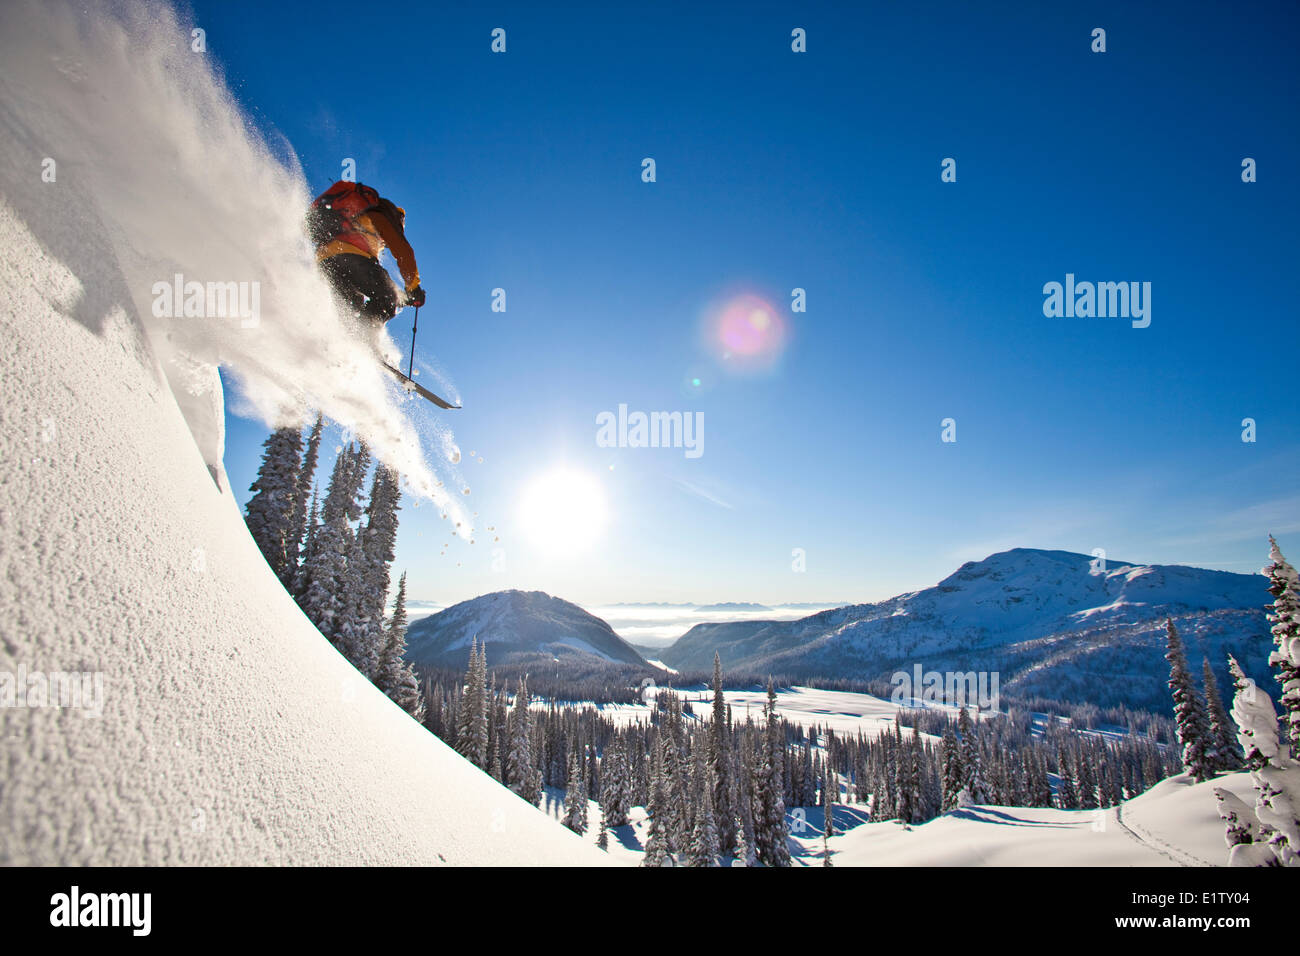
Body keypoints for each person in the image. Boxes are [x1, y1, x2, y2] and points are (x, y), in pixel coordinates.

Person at [308, 180, 426, 324]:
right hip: (350, 257)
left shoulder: (356, 215)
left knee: (350, 311)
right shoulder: (383, 211)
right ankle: (363, 338)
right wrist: (414, 289)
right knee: (387, 299)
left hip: (326, 263)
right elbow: (402, 251)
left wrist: (402, 297)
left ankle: (344, 340)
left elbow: (374, 282)